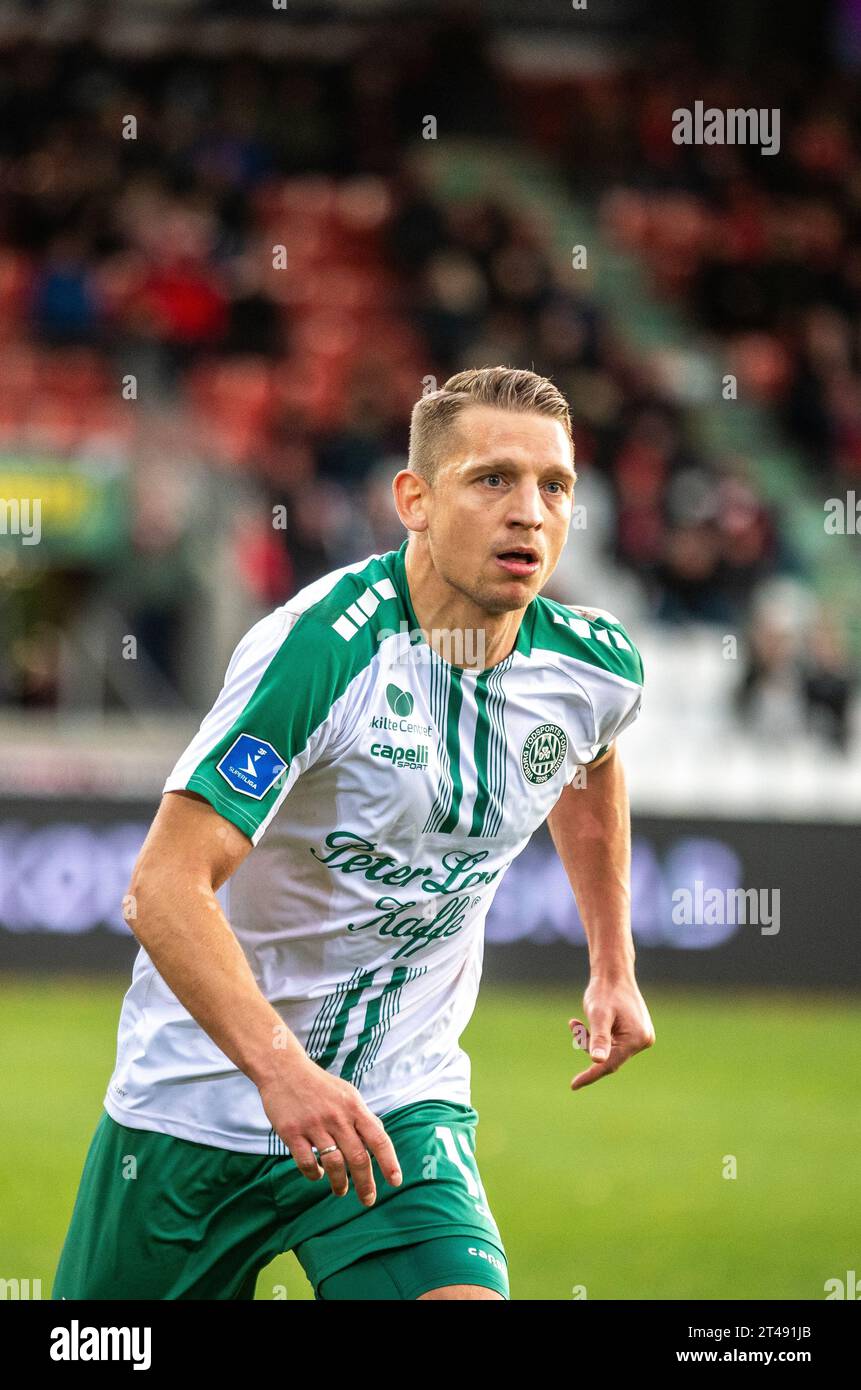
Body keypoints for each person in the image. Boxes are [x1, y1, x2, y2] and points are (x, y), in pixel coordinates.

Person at [53, 366, 655, 1302]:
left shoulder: (593, 665)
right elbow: (162, 889)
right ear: (412, 498)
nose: (530, 513)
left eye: (555, 485)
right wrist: (282, 1074)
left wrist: (611, 962)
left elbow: (593, 763)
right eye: (492, 479)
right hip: (196, 1109)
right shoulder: (321, 651)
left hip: (393, 1105)